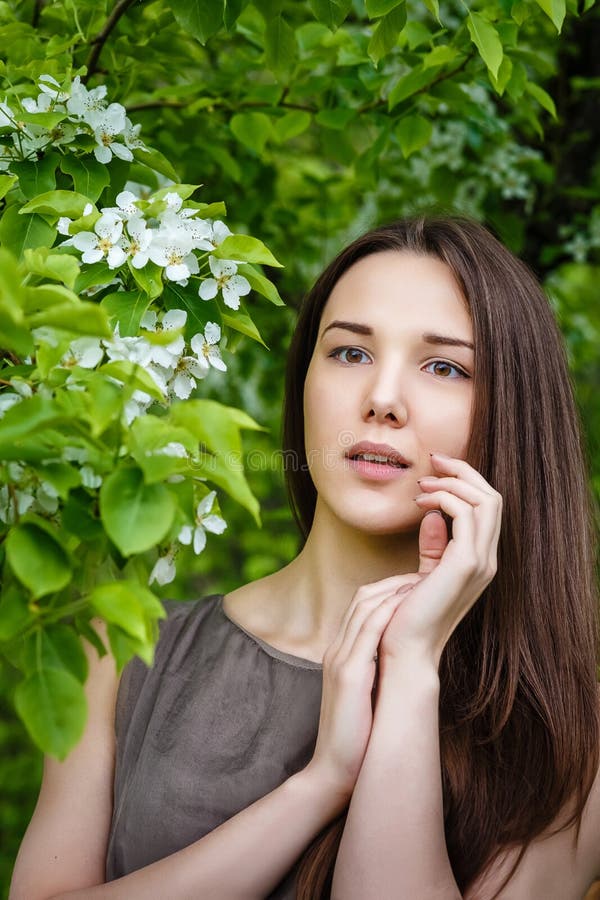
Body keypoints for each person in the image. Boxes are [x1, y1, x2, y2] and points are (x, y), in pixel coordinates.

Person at [9, 216, 600, 900]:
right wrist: (319, 785)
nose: (381, 400)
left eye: (445, 367)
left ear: (513, 414)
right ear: (304, 381)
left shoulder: (567, 748)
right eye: (350, 353)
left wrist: (409, 669)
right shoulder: (119, 650)